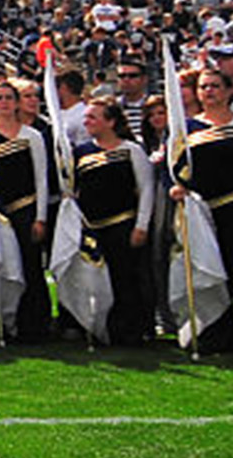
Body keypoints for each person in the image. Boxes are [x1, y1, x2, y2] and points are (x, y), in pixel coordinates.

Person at [73, 97, 153, 345]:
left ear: (111, 121)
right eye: (86, 117)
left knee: (125, 280)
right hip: (94, 229)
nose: (87, 122)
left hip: (123, 225)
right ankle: (101, 329)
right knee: (98, 282)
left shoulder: (131, 150)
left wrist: (141, 225)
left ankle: (131, 330)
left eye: (93, 117)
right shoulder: (82, 152)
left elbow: (146, 188)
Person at [0, 80, 51, 342]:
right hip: (0, 213)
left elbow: (41, 178)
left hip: (27, 209)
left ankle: (36, 326)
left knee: (31, 267)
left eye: (9, 97)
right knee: (6, 267)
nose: (5, 102)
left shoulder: (31, 136)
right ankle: (7, 323)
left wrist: (40, 217)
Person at [169, 67, 233, 351]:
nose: (209, 91)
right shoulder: (188, 128)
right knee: (212, 270)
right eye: (204, 86)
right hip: (205, 213)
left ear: (229, 91)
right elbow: (174, 168)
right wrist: (177, 187)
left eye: (215, 86)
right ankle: (215, 333)